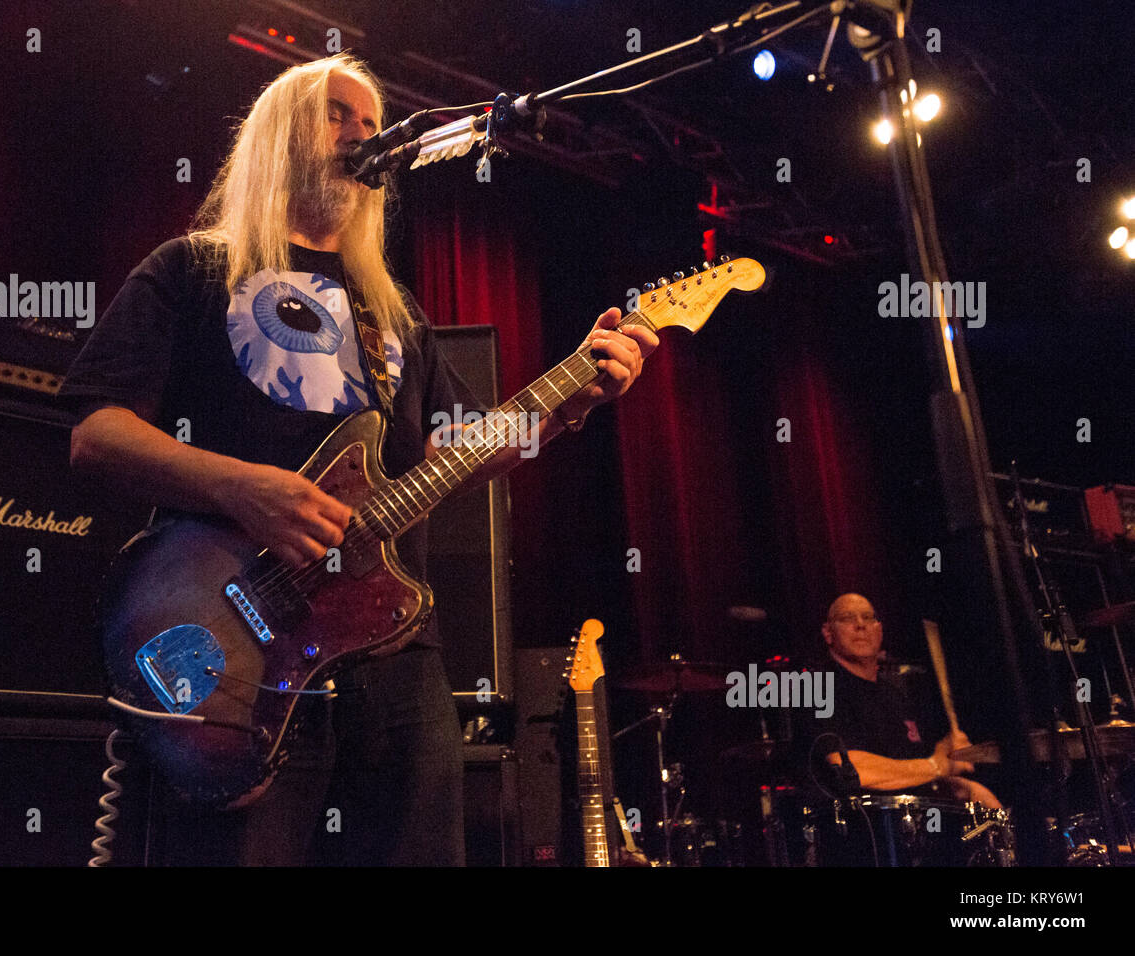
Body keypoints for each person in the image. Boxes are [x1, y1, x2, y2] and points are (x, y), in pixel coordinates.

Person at [60, 53, 658, 865]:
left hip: (395, 672)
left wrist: (570, 404)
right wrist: (243, 489)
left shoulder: (392, 312)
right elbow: (97, 434)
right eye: (336, 114)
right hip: (239, 649)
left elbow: (458, 452)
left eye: (373, 123)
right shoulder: (194, 270)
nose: (362, 135)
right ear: (279, 136)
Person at [801, 592, 1001, 808]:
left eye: (869, 617)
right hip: (858, 829)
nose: (860, 625)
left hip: (912, 826)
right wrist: (936, 766)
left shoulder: (895, 694)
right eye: (848, 618)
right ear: (828, 633)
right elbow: (850, 770)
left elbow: (913, 771)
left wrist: (962, 785)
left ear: (880, 630)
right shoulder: (818, 687)